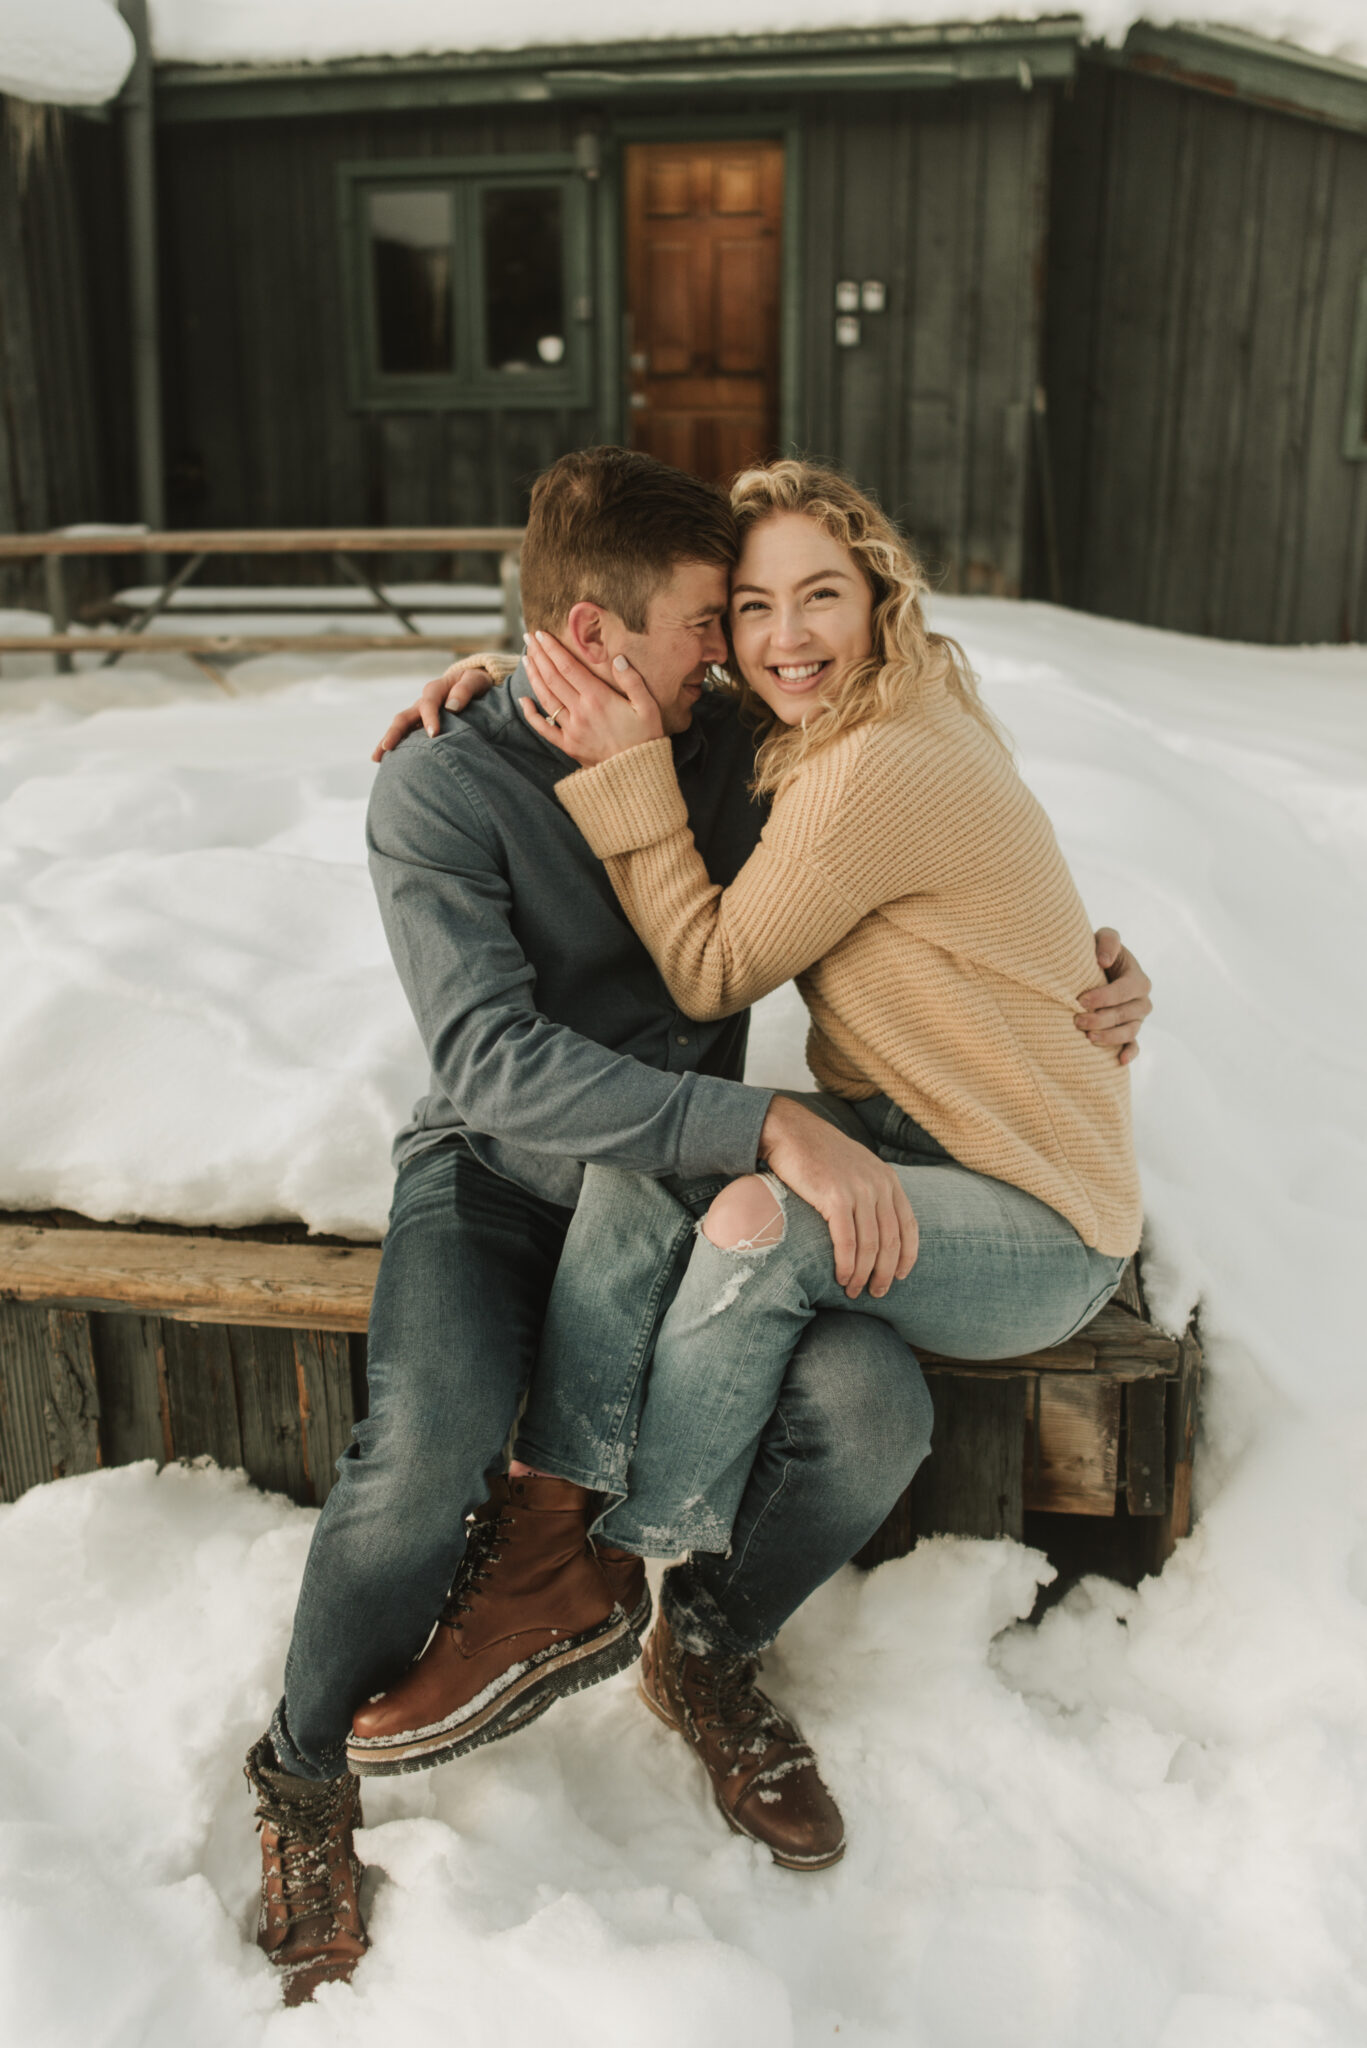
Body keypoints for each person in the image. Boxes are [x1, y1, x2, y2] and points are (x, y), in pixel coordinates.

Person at [245, 447, 1152, 2007]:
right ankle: (303, 1772)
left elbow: (900, 795)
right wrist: (765, 1124)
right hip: (502, 1179)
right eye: (701, 628)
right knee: (418, 1453)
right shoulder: (442, 782)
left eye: (740, 629)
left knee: (869, 1407)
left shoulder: (726, 737)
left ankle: (700, 1646)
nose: (731, 658)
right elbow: (495, 1067)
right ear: (590, 642)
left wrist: (1085, 971)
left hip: (666, 1198)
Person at [470, 459, 1141, 1574]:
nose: (787, 632)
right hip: (914, 1127)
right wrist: (518, 675)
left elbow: (707, 970)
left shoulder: (872, 762)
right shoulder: (865, 709)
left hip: (1039, 1214)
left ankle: (629, 1562)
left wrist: (627, 764)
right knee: (663, 1148)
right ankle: (551, 1503)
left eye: (820, 592)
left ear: (878, 594)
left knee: (765, 1232)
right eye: (750, 605)